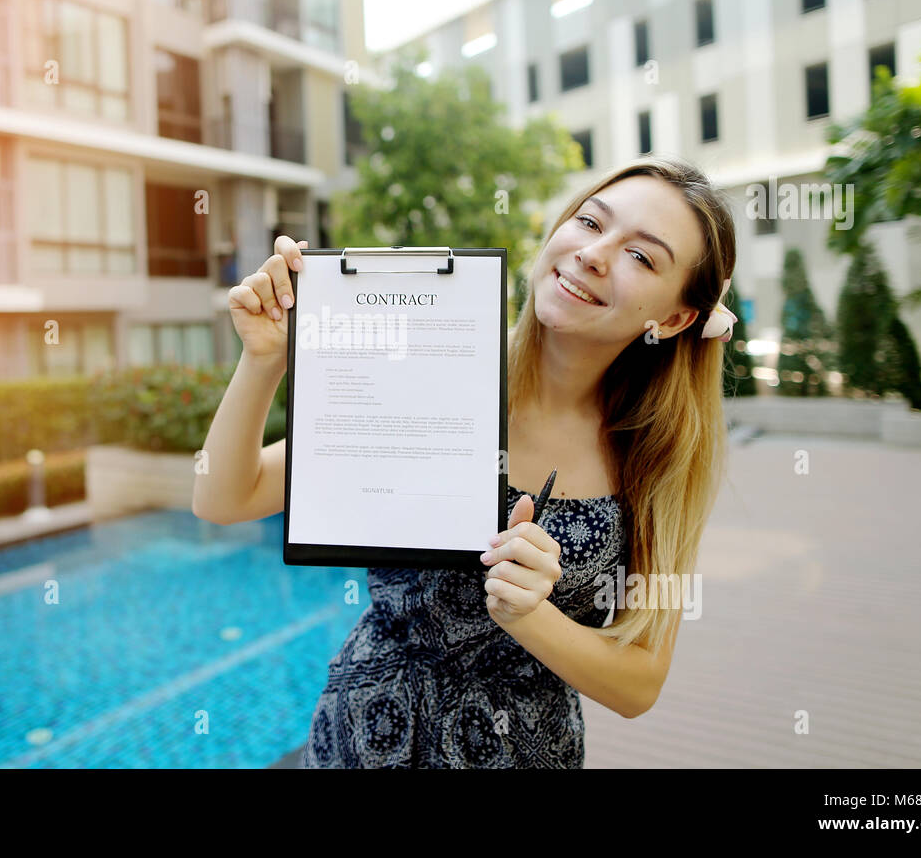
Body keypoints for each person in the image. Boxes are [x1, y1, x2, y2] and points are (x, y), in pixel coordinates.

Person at [193, 156, 738, 768]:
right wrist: (263, 361)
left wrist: (530, 615)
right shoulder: (434, 362)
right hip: (363, 738)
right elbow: (223, 498)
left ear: (675, 317)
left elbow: (639, 683)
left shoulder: (655, 453)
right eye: (590, 222)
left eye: (642, 257)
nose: (594, 253)